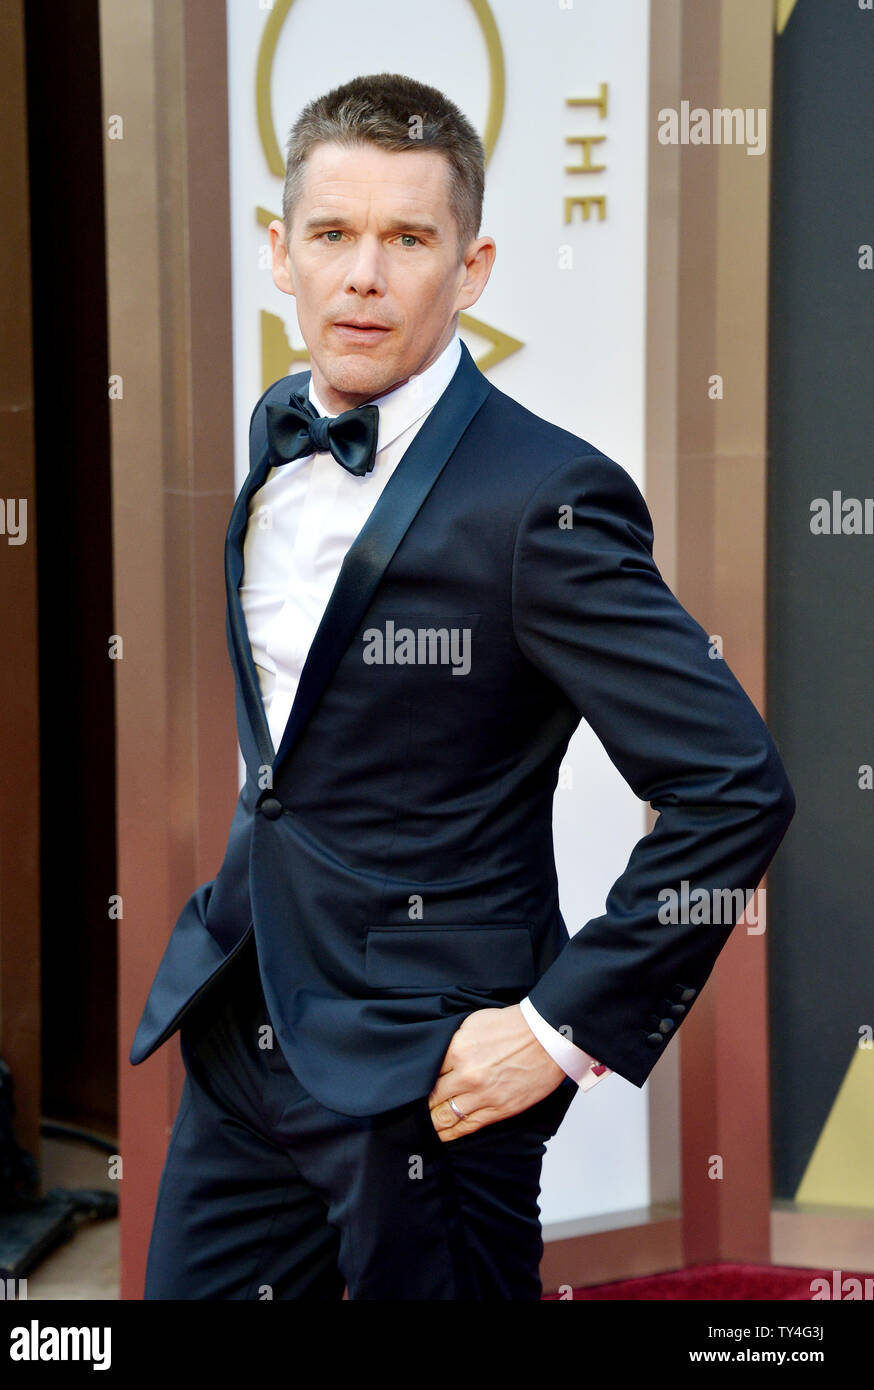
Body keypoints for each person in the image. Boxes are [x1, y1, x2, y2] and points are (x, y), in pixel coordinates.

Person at [131, 72, 795, 1300]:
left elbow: (731, 784)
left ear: (472, 267)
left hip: (428, 1081)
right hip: (246, 1022)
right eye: (331, 234)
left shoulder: (542, 500)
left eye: (407, 239)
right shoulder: (281, 432)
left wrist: (553, 1034)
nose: (362, 275)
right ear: (278, 253)